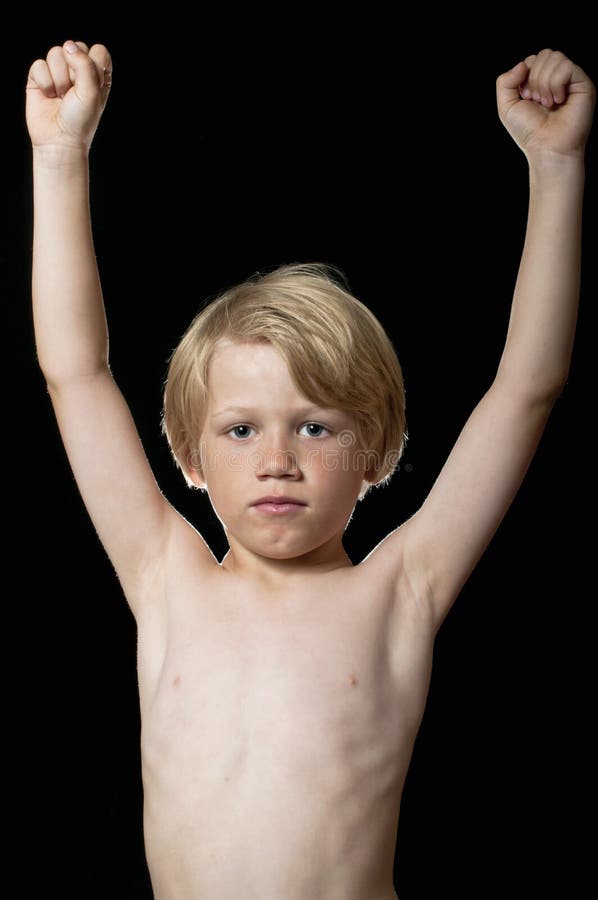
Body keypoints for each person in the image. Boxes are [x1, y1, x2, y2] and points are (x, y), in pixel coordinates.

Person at [26, 39, 595, 899]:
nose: (279, 461)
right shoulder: (166, 576)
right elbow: (75, 371)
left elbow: (524, 388)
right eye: (243, 429)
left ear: (373, 452)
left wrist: (555, 165)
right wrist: (59, 154)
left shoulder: (402, 586)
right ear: (189, 455)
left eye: (318, 428)